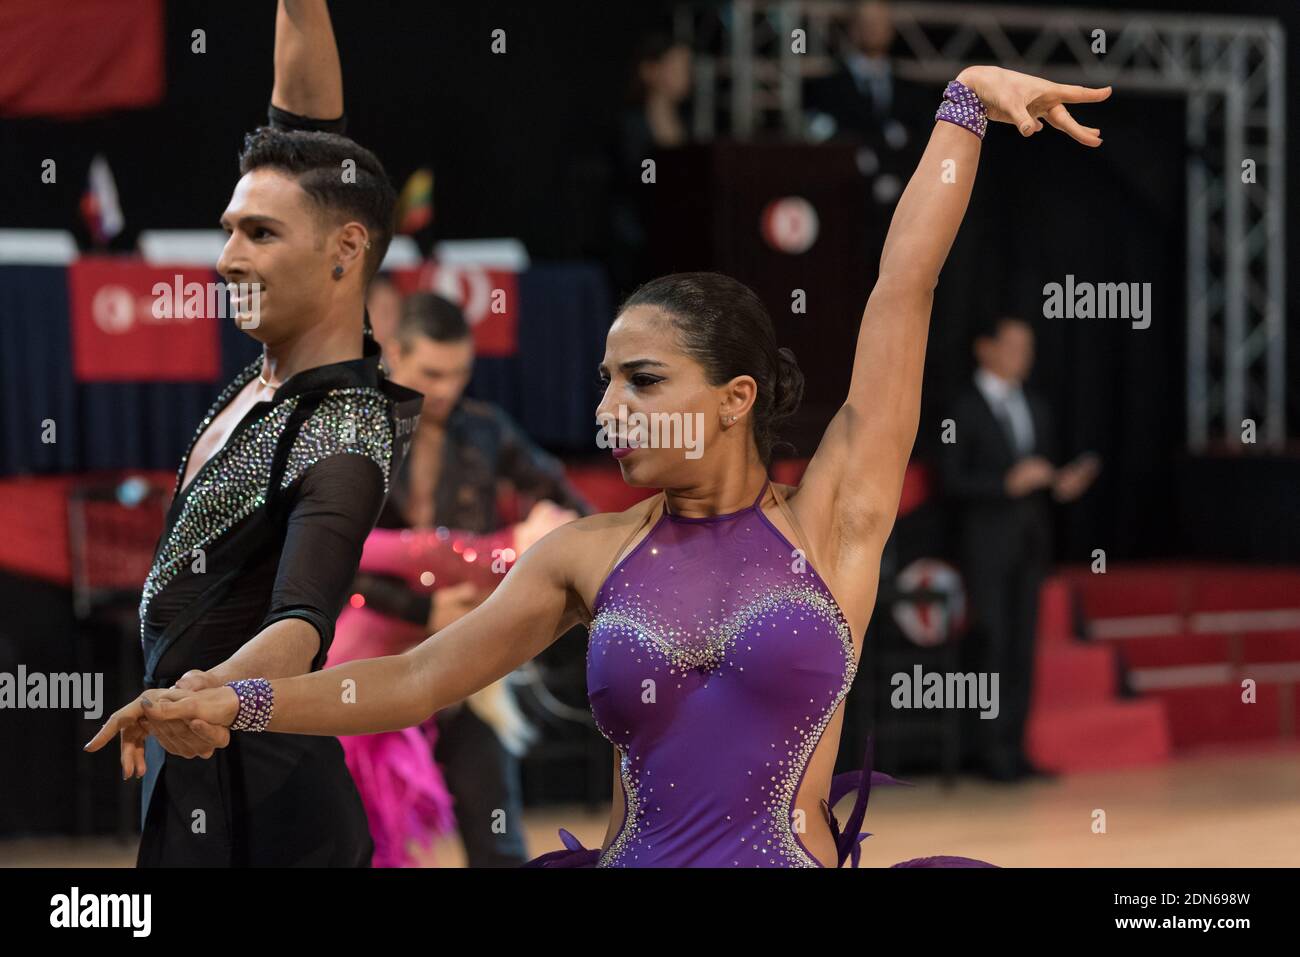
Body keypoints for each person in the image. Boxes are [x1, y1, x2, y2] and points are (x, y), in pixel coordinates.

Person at [90, 65, 1111, 868]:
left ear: (733, 398)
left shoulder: (832, 519)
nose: (606, 410)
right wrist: (236, 701)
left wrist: (963, 106)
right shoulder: (586, 555)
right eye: (604, 381)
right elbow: (410, 680)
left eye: (642, 382)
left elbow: (903, 287)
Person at [98, 0, 422, 866]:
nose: (227, 257)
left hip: (268, 815)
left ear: (345, 250)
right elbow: (304, 110)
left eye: (259, 233)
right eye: (229, 229)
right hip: (199, 763)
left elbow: (301, 626)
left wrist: (205, 695)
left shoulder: (343, 433)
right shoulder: (277, 370)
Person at [331, 292, 590, 867]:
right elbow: (333, 561)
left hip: (469, 652)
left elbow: (570, 507)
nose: (445, 388)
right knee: (358, 831)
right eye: (430, 373)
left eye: (458, 374)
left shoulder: (484, 430)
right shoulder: (356, 431)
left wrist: (549, 525)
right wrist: (423, 611)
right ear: (393, 354)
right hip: (368, 655)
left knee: (493, 818)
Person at [940, 316, 1101, 782]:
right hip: (984, 545)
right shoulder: (961, 408)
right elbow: (951, 479)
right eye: (1013, 346)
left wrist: (1059, 483)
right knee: (990, 642)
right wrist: (1004, 483)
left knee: (1022, 646)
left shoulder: (1036, 404)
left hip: (1030, 543)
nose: (1022, 356)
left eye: (1027, 347)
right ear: (985, 348)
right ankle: (986, 750)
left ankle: (1015, 747)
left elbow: (1040, 472)